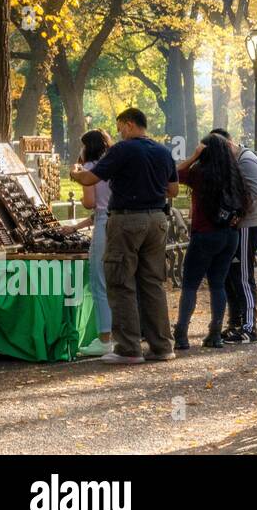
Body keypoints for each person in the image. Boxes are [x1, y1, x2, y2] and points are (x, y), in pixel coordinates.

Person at [68, 107, 178, 363]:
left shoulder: (122, 149)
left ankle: (128, 348)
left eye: (119, 127)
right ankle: (162, 346)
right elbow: (172, 189)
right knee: (152, 284)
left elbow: (89, 179)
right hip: (157, 220)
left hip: (127, 219)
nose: (118, 133)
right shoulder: (162, 151)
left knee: (120, 282)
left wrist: (74, 172)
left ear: (128, 124)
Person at [173, 134, 246, 349]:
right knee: (218, 283)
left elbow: (175, 174)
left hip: (204, 234)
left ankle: (182, 334)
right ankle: (215, 333)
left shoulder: (199, 172)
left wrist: (194, 155)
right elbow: (246, 203)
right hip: (230, 235)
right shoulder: (235, 174)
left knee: (190, 284)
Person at [212, 128, 257, 344]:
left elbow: (256, 193)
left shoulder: (246, 160)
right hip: (233, 227)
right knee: (230, 275)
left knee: (243, 276)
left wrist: (237, 214)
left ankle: (249, 327)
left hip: (247, 225)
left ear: (227, 145)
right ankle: (235, 322)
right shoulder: (231, 161)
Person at [68, 130, 114, 357]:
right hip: (118, 221)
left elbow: (90, 203)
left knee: (98, 281)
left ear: (87, 147)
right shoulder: (113, 165)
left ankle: (104, 337)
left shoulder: (89, 169)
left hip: (103, 225)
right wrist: (76, 228)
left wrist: (79, 172)